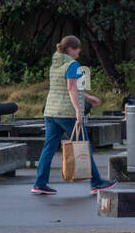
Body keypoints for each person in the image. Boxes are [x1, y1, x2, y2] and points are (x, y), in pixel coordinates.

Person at [31, 35, 118, 196]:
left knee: (49, 148)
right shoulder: (73, 64)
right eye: (78, 49)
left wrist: (88, 97)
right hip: (67, 114)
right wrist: (78, 110)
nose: (79, 52)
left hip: (50, 112)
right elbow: (71, 88)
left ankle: (39, 183)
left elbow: (67, 88)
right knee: (84, 144)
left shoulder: (55, 64)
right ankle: (97, 182)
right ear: (71, 49)